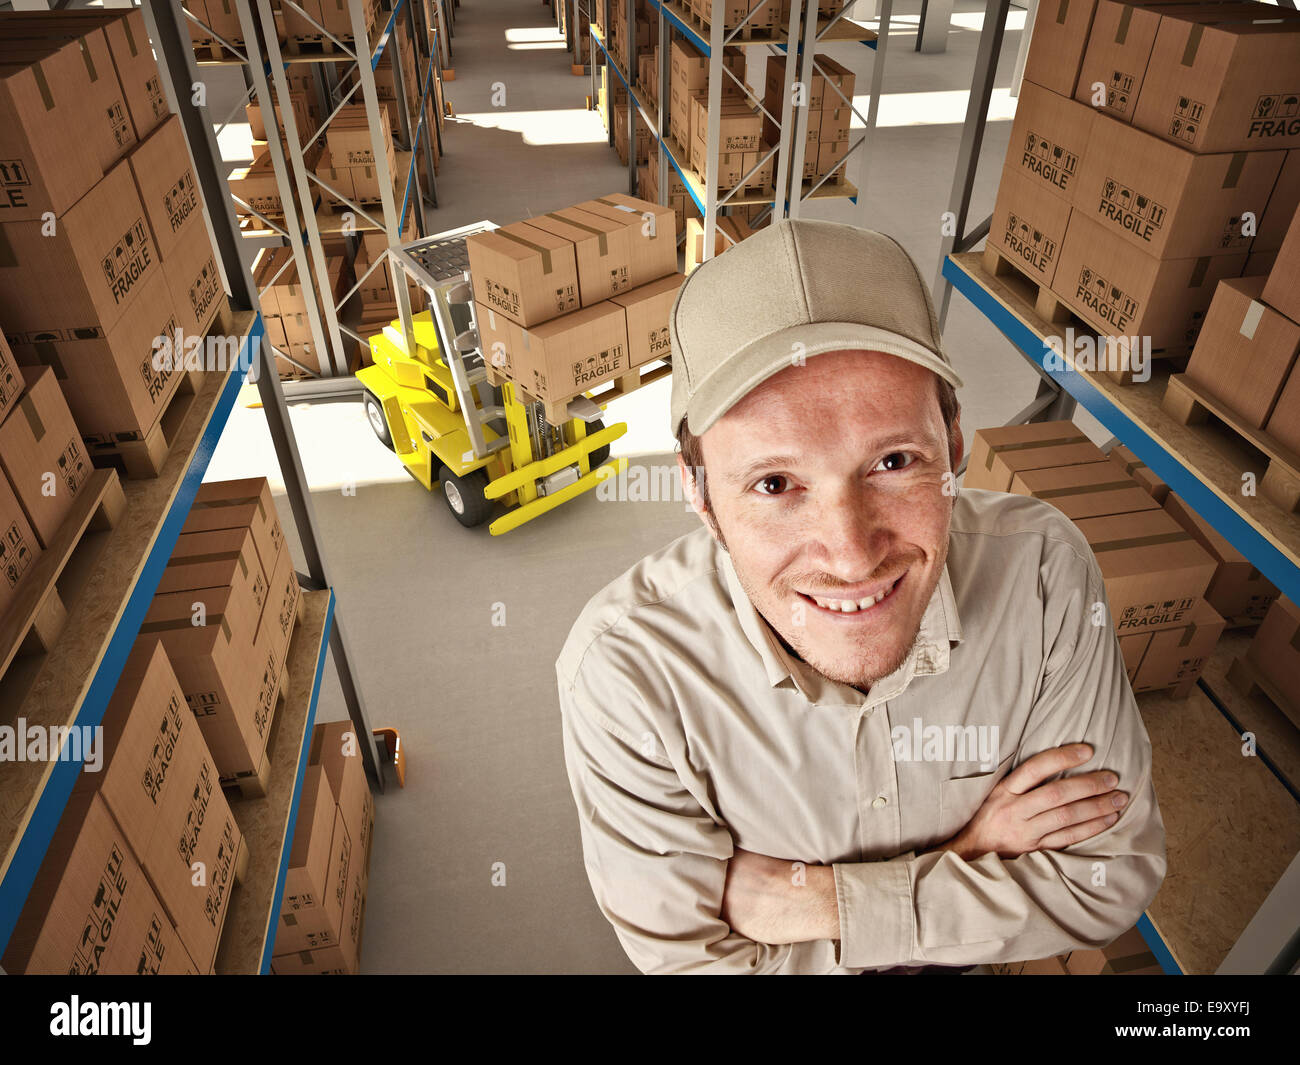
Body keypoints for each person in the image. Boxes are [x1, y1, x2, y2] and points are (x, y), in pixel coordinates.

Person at [555, 219, 1166, 974]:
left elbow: (1108, 878)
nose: (850, 553)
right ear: (697, 491)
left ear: (955, 442)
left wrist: (819, 904)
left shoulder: (1044, 578)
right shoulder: (627, 676)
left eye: (891, 460)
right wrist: (969, 852)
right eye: (775, 484)